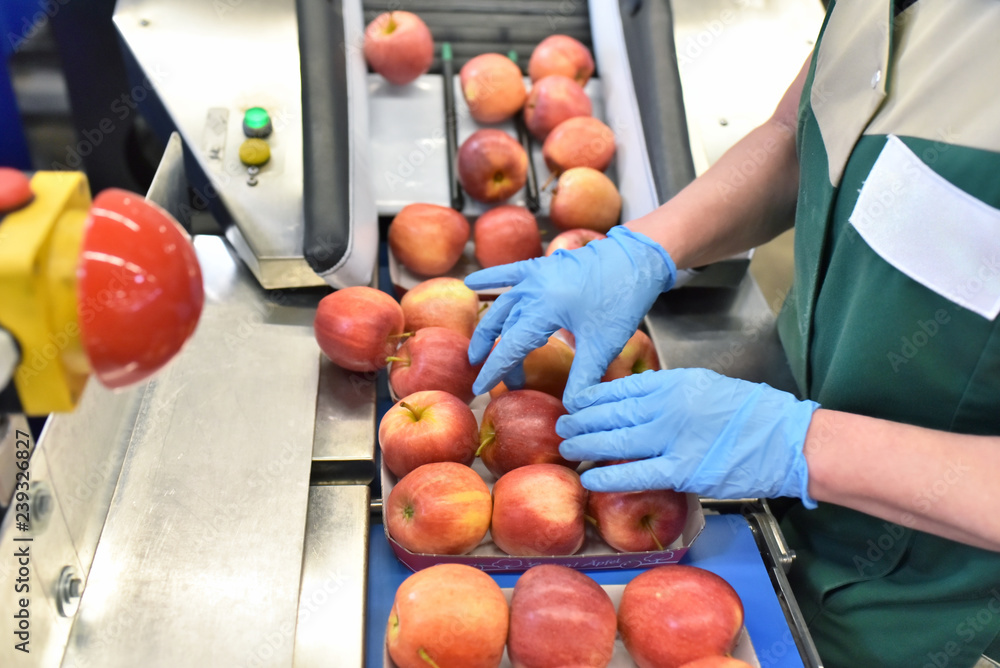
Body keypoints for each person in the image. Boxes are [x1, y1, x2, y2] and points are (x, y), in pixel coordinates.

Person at [464, 1, 1000, 667]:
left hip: (932, 607)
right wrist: (647, 248)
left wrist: (800, 442)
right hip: (788, 464)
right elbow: (795, 133)